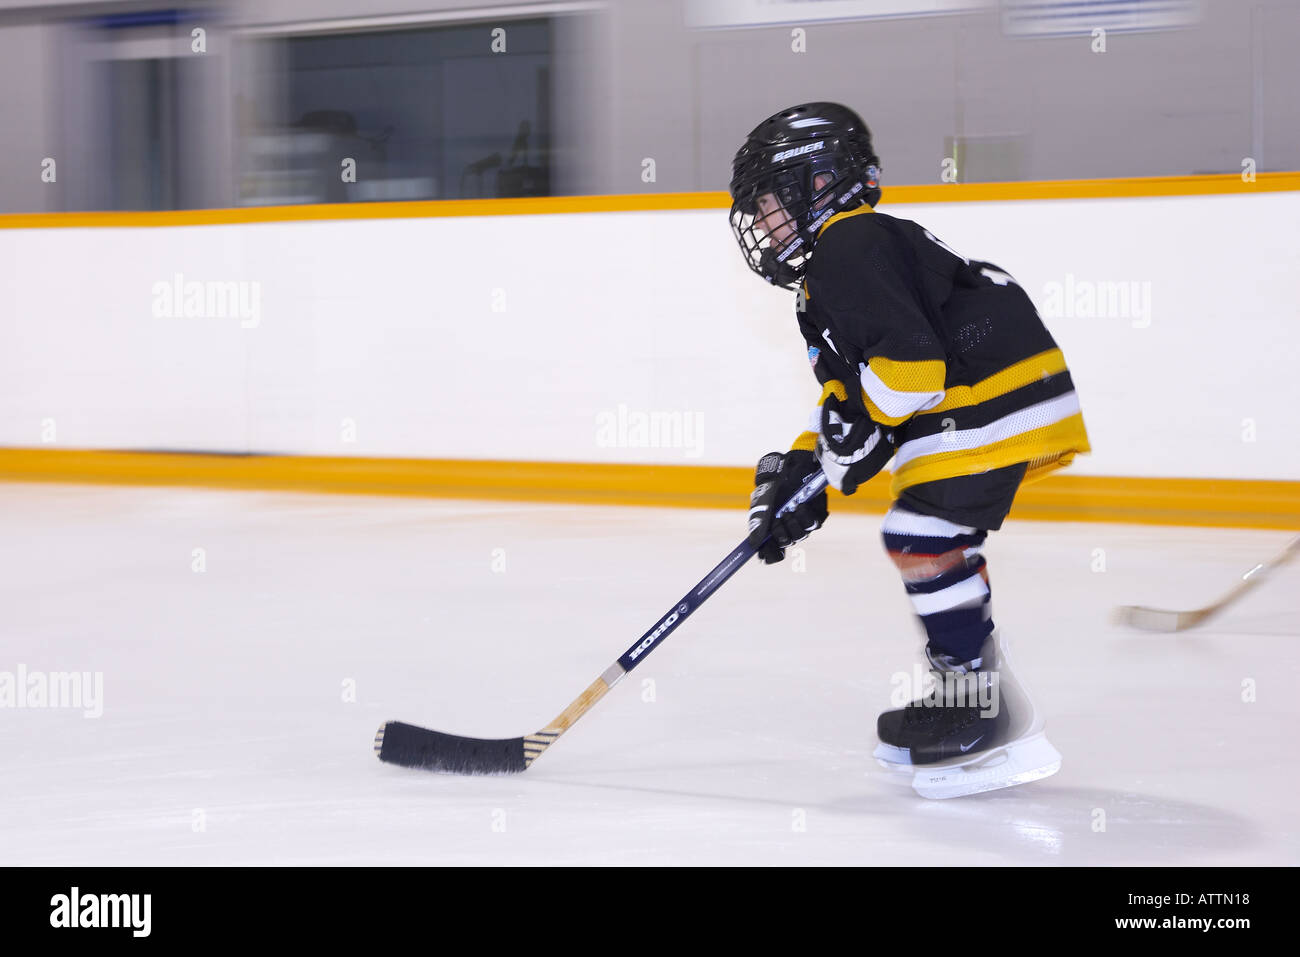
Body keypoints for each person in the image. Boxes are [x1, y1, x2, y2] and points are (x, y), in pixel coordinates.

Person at [729, 102, 1091, 798]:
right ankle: (976, 687)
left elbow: (912, 374)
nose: (761, 222)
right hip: (983, 397)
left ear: (819, 184)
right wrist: (806, 464)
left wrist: (837, 457)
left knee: (923, 532)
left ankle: (984, 704)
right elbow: (858, 396)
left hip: (990, 397)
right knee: (927, 532)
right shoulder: (836, 267)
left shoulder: (849, 244)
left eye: (769, 201)